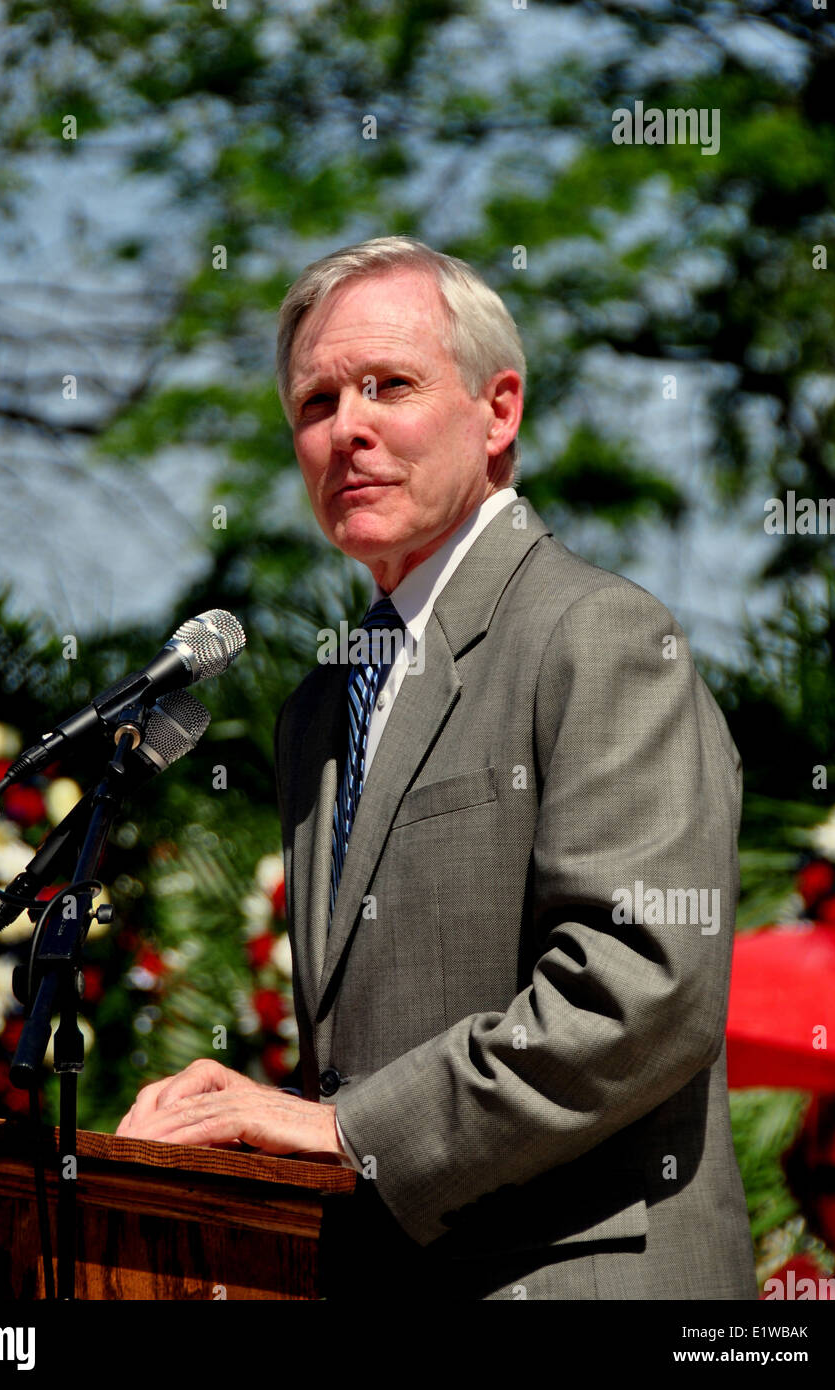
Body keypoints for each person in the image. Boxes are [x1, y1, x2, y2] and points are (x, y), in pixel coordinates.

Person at [117, 236, 758, 1300]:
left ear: (496, 410)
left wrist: (340, 1131)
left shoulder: (595, 634)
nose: (346, 429)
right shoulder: (320, 708)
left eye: (388, 386)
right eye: (315, 404)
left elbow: (642, 987)